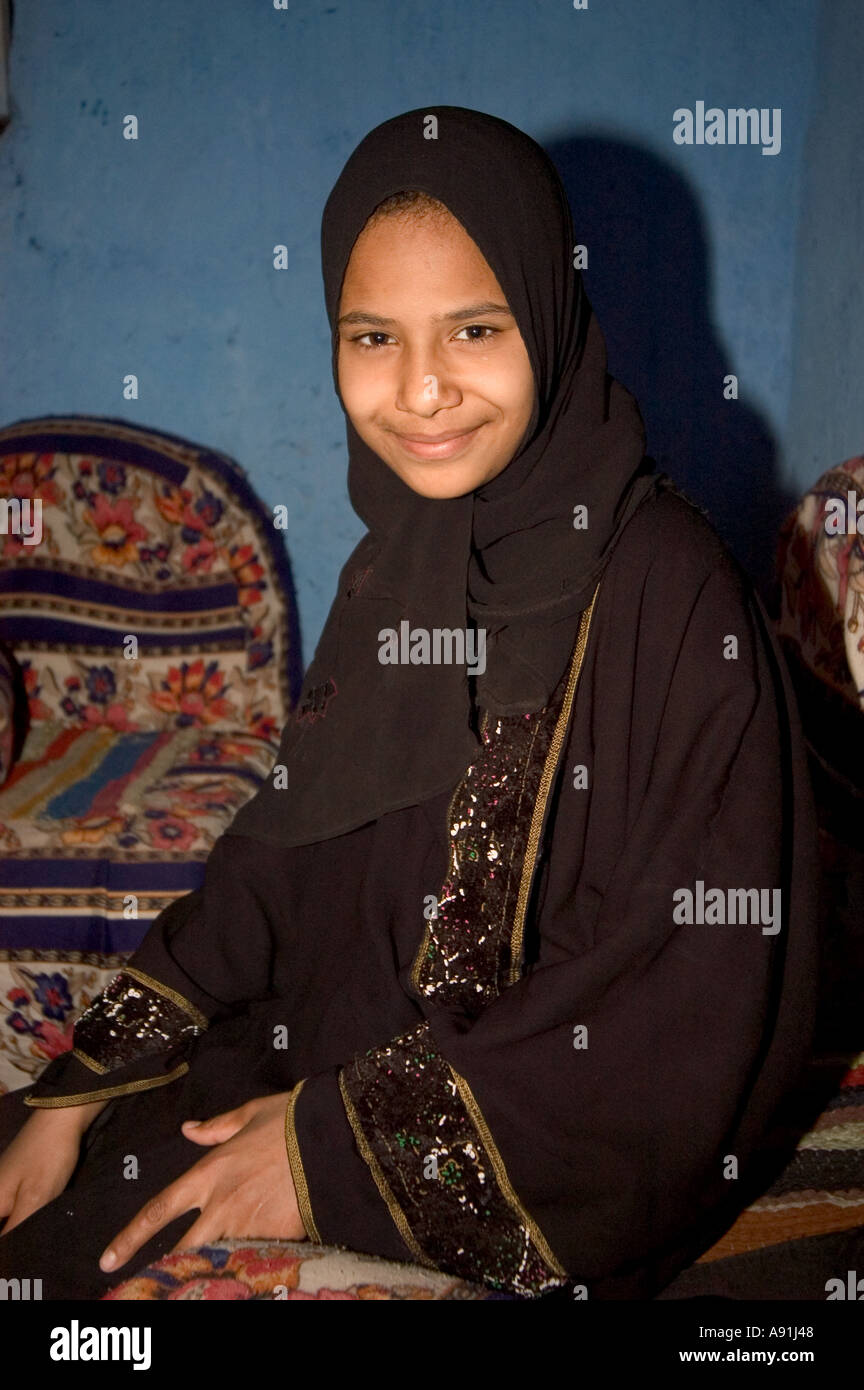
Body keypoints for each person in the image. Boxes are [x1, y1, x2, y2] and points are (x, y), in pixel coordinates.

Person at [0, 105, 819, 1301]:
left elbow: (680, 1001)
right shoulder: (403, 560)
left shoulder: (673, 595)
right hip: (340, 1054)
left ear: (546, 314)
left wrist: (332, 1154)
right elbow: (283, 862)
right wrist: (81, 1085)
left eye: (474, 329)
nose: (422, 391)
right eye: (373, 336)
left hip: (547, 1153)